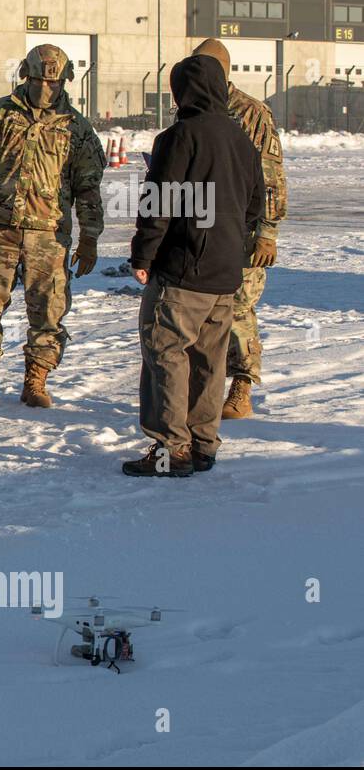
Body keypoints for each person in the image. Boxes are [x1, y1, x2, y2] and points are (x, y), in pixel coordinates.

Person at [124, 54, 265, 477]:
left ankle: (171, 451)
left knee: (166, 353)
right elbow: (256, 206)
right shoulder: (242, 139)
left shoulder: (179, 137)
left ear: (181, 91)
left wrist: (144, 254)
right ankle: (203, 446)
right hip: (225, 275)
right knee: (209, 360)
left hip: (183, 271)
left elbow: (160, 201)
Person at [0, 44, 106, 408]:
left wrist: (90, 238)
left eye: (53, 82)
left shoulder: (76, 128)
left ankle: (36, 380)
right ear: (26, 75)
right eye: (38, 80)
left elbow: (88, 188)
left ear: (65, 81)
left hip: (48, 235)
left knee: (48, 311)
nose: (45, 89)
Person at [190, 39, 288, 420]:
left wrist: (268, 231)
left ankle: (242, 386)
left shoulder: (250, 112)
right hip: (200, 227)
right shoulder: (189, 105)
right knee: (202, 310)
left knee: (240, 306)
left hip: (241, 230)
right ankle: (207, 385)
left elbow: (272, 175)